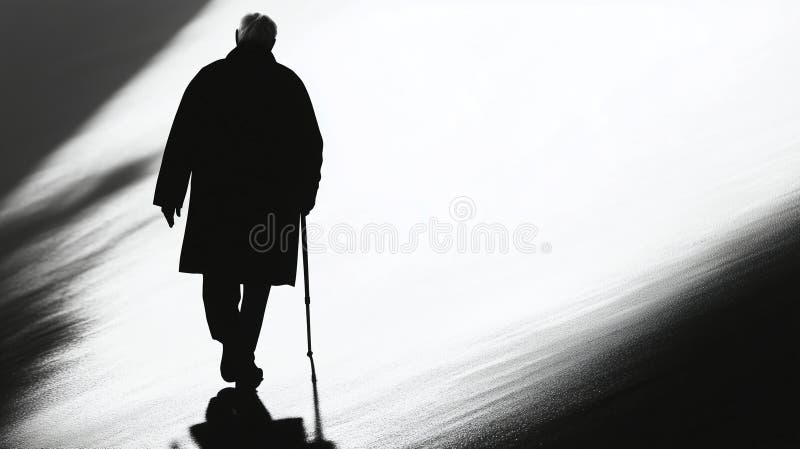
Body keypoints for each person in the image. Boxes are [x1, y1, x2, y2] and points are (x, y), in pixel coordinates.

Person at [153, 13, 323, 389]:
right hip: (273, 204)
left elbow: (183, 138)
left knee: (218, 277)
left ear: (236, 38)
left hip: (218, 201)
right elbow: (311, 146)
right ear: (272, 45)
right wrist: (305, 195)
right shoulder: (287, 84)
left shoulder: (210, 79)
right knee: (258, 281)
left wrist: (170, 195)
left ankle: (233, 345)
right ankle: (240, 350)